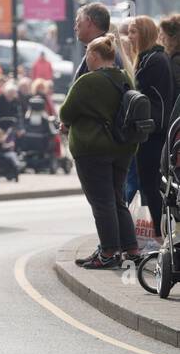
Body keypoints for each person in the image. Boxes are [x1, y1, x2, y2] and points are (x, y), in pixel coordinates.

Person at [58, 33, 143, 270]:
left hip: (92, 148)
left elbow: (66, 112)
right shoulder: (125, 78)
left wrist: (66, 124)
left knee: (101, 202)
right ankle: (131, 249)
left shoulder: (87, 82)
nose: (86, 59)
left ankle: (108, 252)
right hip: (123, 147)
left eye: (87, 54)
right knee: (117, 199)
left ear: (94, 55)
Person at [127, 15, 172, 236]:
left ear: (144, 33)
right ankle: (160, 233)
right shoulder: (149, 58)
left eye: (134, 32)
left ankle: (160, 235)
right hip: (150, 132)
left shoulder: (154, 60)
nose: (130, 37)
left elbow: (152, 98)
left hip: (154, 133)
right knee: (149, 185)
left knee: (152, 186)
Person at [72, 2, 113, 80]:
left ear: (88, 21)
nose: (75, 28)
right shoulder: (105, 50)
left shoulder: (104, 53)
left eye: (78, 22)